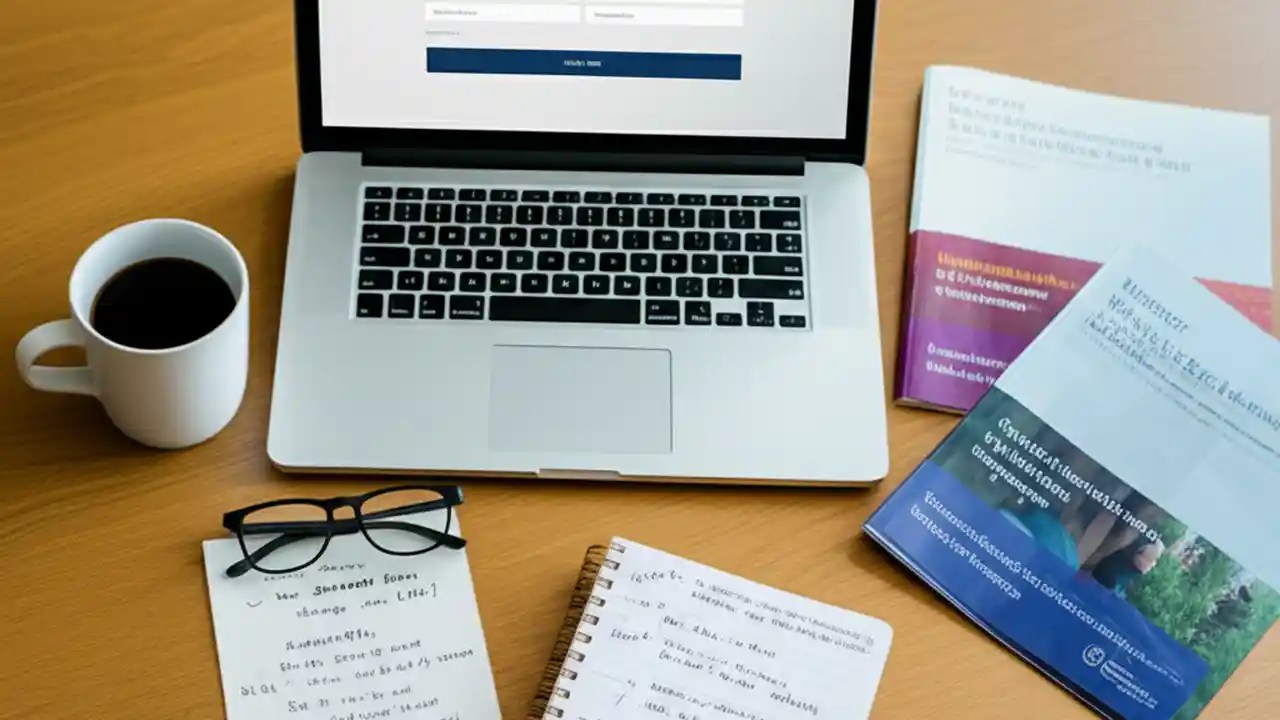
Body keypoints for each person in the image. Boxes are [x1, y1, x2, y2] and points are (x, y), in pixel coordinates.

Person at [1091, 540, 1165, 598]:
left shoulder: (1134, 578)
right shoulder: (1110, 571)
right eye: (1151, 559)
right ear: (1139, 553)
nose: (1153, 564)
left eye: (1155, 561)